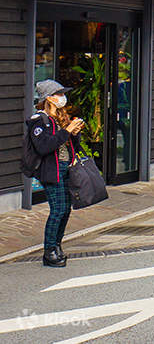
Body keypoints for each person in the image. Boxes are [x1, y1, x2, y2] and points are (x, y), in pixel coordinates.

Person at [25, 80, 85, 267]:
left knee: (66, 209)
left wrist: (74, 132)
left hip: (66, 167)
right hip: (51, 170)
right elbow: (44, 146)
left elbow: (69, 144)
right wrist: (66, 131)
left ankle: (57, 246)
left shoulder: (60, 117)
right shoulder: (39, 120)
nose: (62, 98)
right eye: (59, 94)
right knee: (57, 209)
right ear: (49, 98)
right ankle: (49, 251)